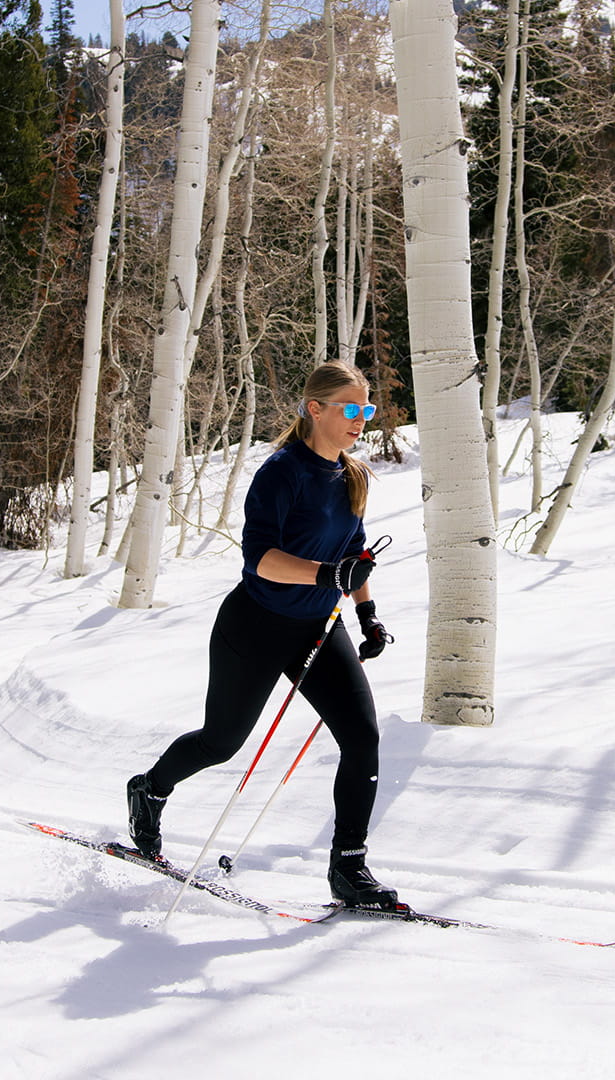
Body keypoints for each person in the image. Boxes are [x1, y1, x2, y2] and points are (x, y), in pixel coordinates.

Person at [127, 362, 399, 907]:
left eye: (366, 409)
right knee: (221, 742)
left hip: (318, 627)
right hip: (254, 624)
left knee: (362, 737)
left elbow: (356, 554)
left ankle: (349, 867)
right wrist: (327, 576)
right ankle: (149, 790)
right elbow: (262, 562)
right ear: (315, 409)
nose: (361, 419)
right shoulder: (282, 473)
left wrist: (366, 613)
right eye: (351, 408)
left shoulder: (354, 475)